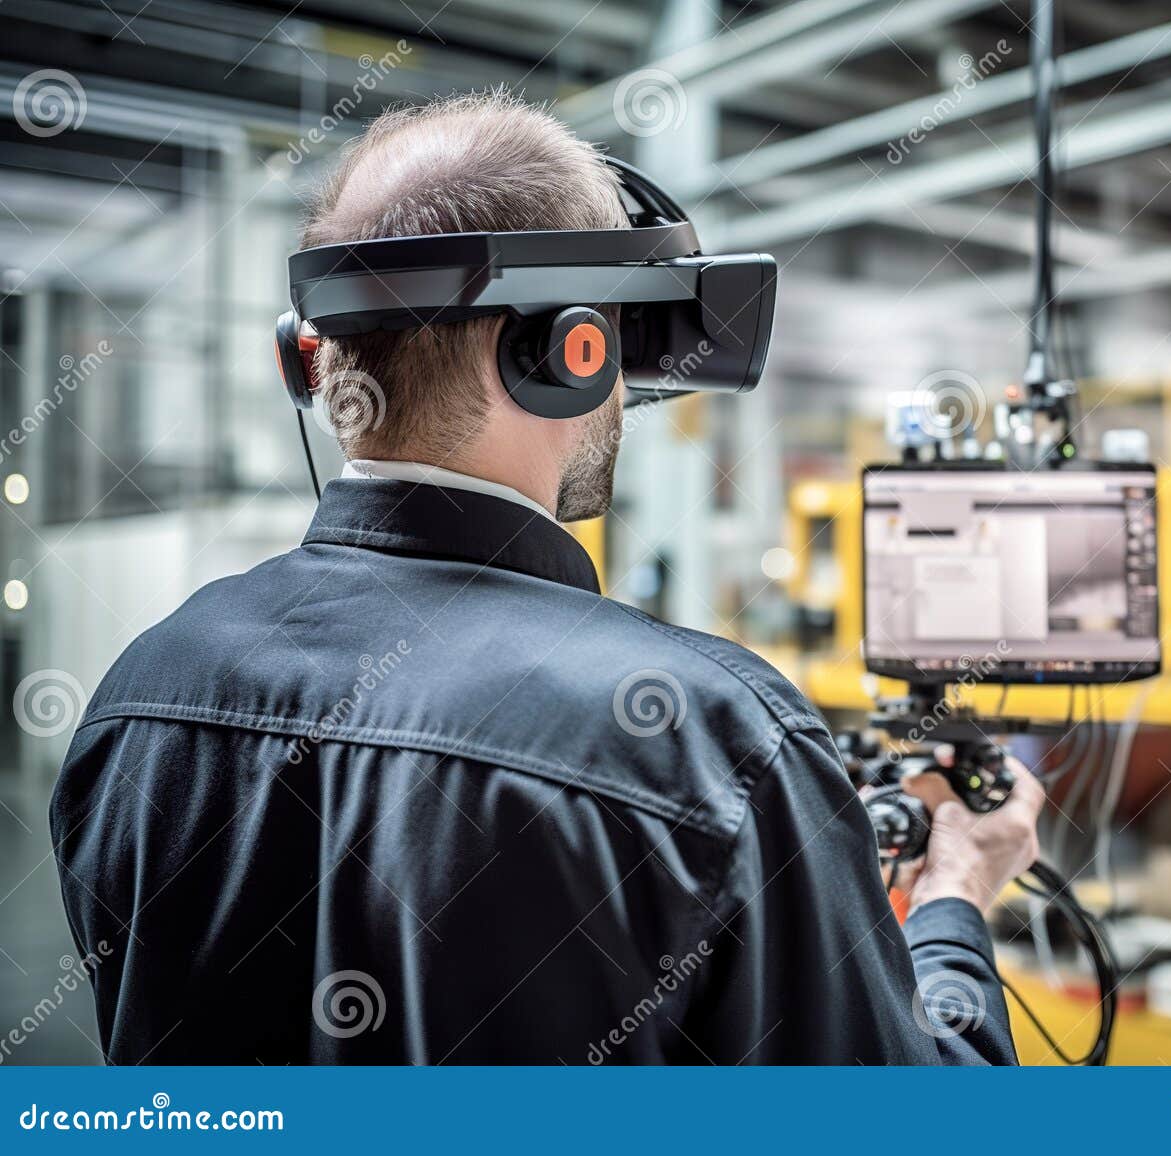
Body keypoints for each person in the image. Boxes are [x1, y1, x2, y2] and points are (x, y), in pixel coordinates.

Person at [50, 91, 1045, 1065]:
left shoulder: (138, 695)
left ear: (309, 358)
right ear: (568, 352)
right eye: (618, 337)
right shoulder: (713, 743)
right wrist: (953, 897)